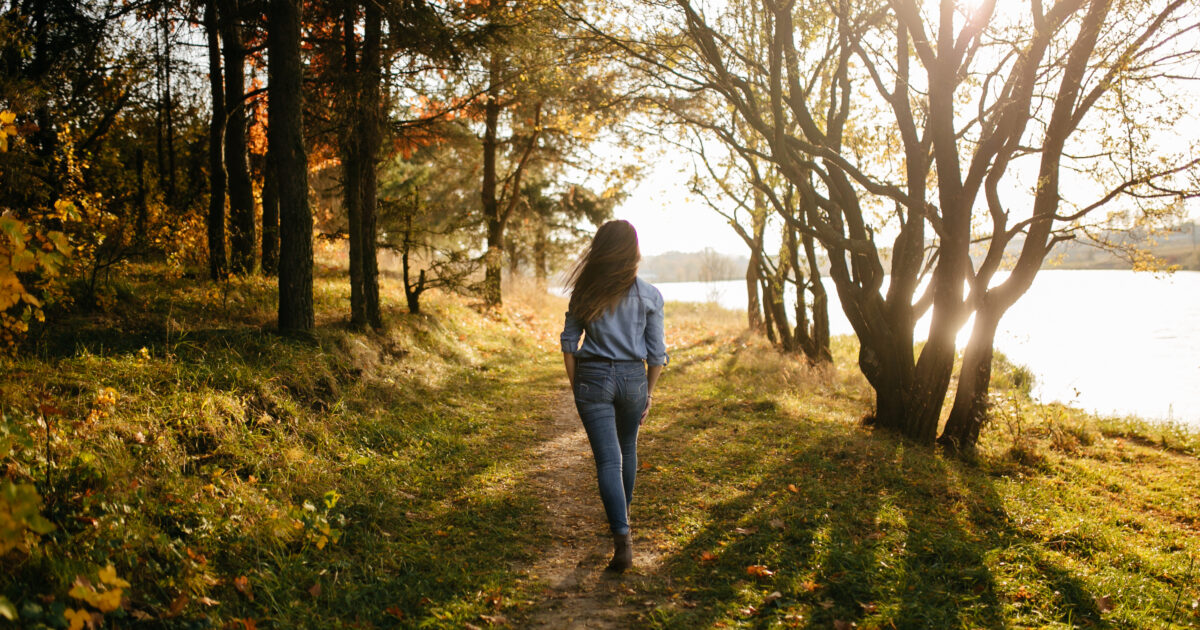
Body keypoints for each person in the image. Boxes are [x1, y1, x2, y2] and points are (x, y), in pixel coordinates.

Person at [560, 219, 668, 573]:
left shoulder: (585, 293)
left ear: (601, 251)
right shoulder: (650, 295)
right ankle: (623, 519)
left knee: (608, 460)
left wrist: (578, 386)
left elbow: (568, 345)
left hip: (592, 378)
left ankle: (621, 538)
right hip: (633, 380)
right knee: (628, 449)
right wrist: (648, 393)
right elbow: (657, 355)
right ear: (633, 252)